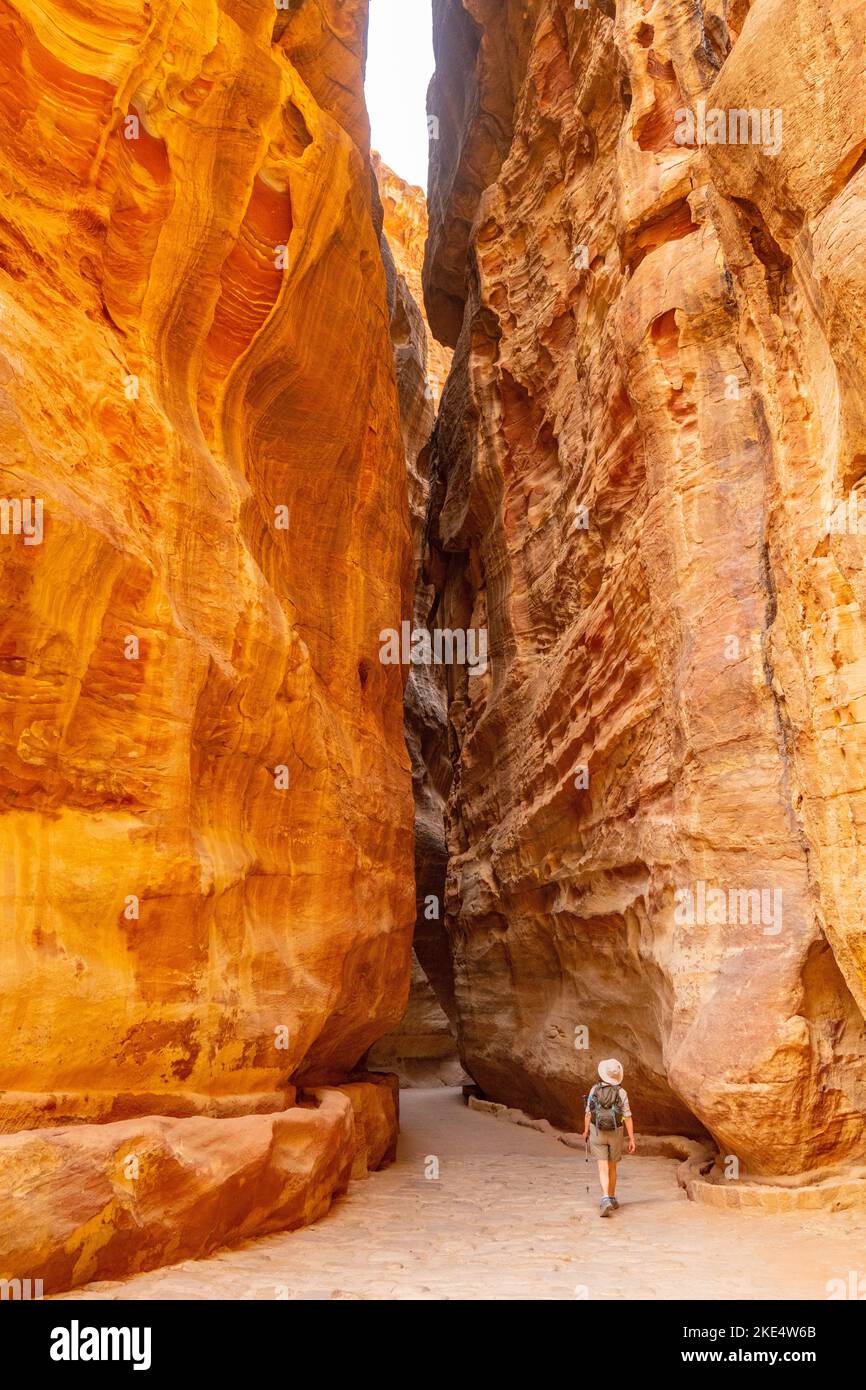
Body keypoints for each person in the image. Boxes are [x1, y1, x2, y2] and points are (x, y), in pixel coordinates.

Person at [582, 1058, 635, 1216]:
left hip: (597, 1131)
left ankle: (605, 1198)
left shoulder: (594, 1090)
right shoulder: (621, 1092)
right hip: (615, 1132)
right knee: (613, 1166)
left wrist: (585, 1131)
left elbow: (588, 1113)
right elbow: (627, 1116)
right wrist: (632, 1138)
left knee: (602, 1166)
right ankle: (611, 1197)